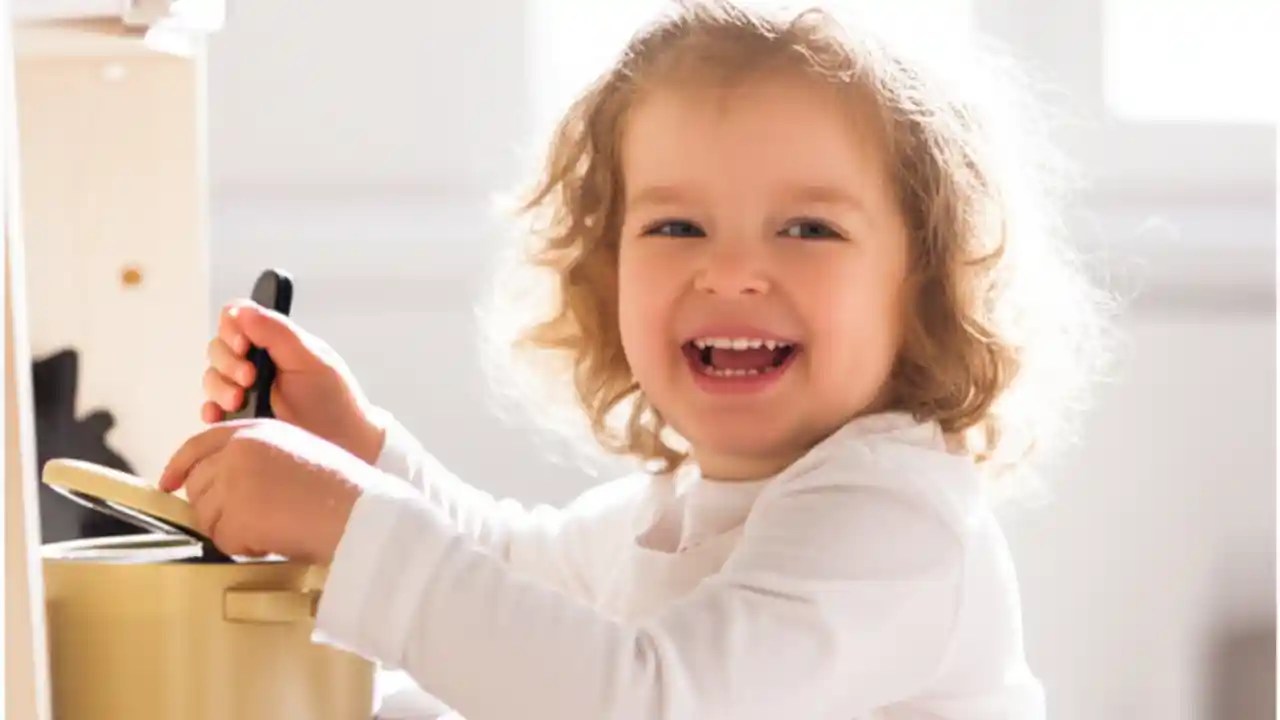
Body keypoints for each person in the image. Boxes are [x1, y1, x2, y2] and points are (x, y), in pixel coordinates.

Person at [160, 2, 1110, 717]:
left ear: (923, 286)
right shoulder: (676, 511)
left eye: (809, 228)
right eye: (677, 225)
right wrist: (364, 454)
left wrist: (353, 524)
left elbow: (648, 701)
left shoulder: (892, 521)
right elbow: (515, 578)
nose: (732, 271)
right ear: (607, 270)